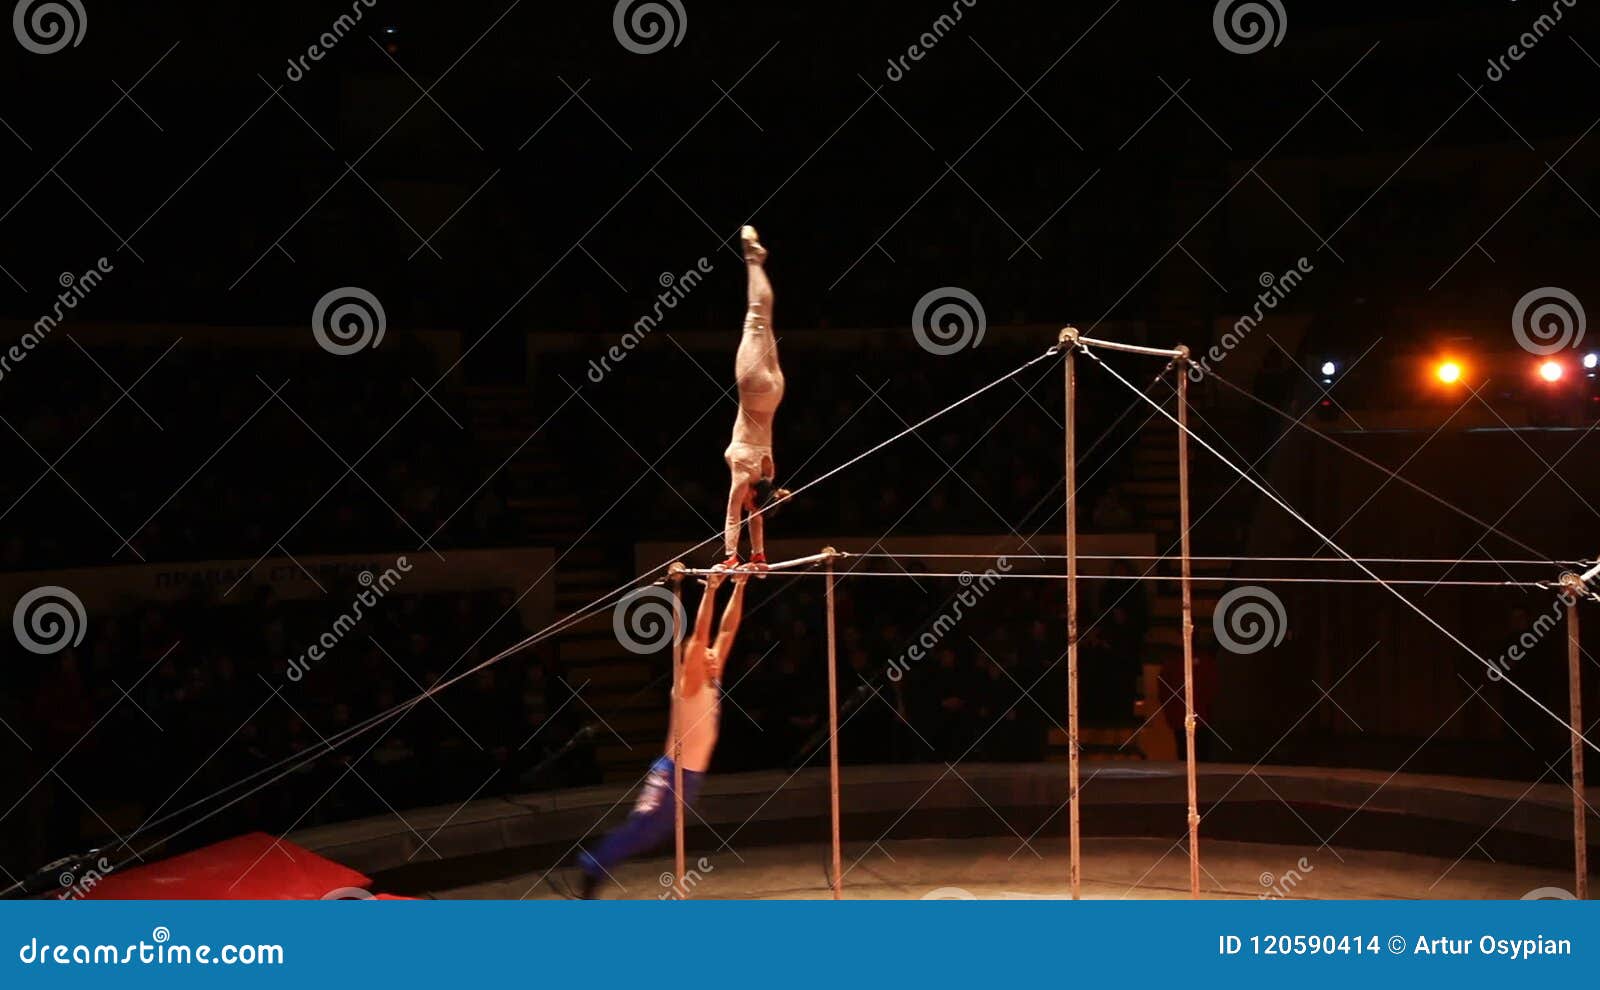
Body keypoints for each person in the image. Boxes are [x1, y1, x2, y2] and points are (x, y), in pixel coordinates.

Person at [570, 571, 749, 898]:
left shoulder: (711, 676)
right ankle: (592, 866)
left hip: (688, 775)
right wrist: (710, 591)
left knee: (654, 833)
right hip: (673, 775)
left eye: (714, 655)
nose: (714, 655)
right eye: (706, 654)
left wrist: (740, 585)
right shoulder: (689, 685)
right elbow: (701, 635)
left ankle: (595, 864)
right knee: (643, 830)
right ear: (691, 662)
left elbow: (727, 629)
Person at [719, 225, 788, 571]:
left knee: (765, 320)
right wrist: (731, 555)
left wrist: (760, 555)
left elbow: (755, 512)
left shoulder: (767, 476)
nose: (748, 508)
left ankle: (756, 262)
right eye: (752, 505)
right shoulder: (746, 478)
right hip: (756, 388)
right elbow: (735, 511)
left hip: (774, 390)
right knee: (755, 319)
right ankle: (752, 259)